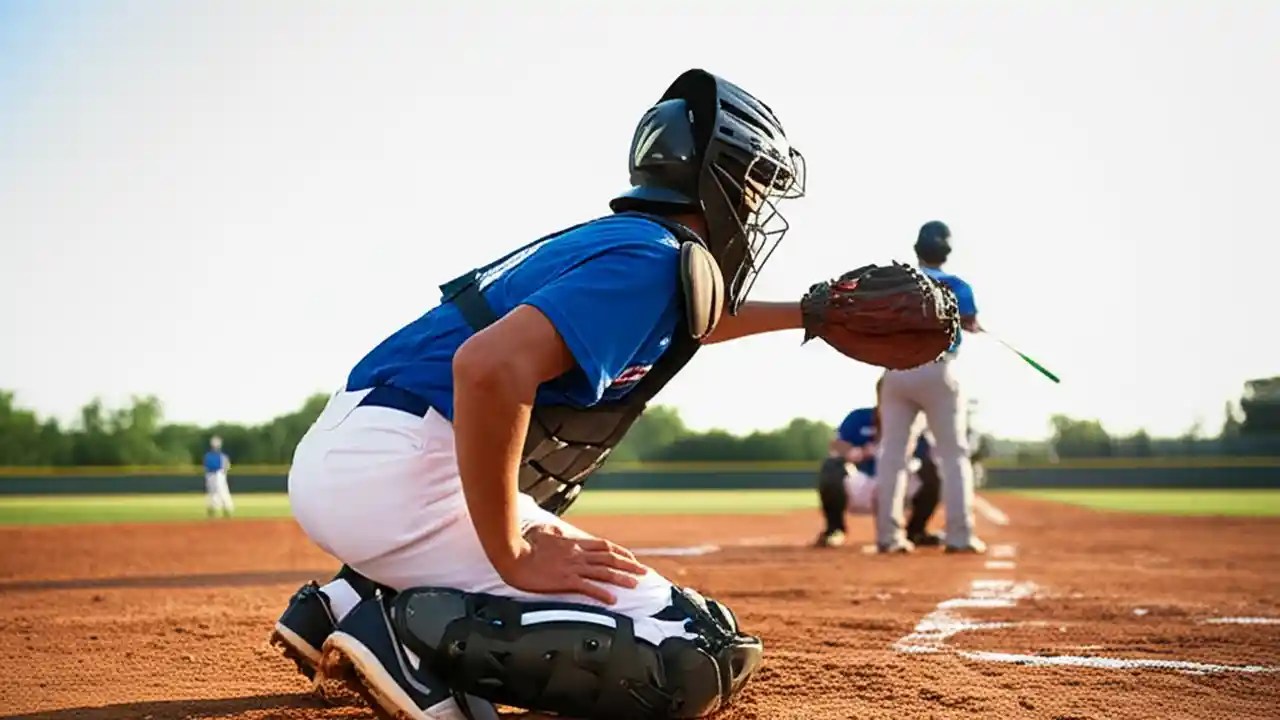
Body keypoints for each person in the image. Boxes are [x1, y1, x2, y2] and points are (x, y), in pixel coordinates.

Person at [267, 69, 822, 720]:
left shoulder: (629, 244)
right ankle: (405, 645)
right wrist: (514, 552)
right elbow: (487, 367)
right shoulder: (652, 261)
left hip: (366, 449)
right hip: (403, 474)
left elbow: (702, 319)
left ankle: (350, 600)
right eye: (753, 181)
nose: (756, 204)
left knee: (630, 594)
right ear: (718, 177)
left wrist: (815, 315)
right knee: (692, 651)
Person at [874, 220, 986, 554]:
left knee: (892, 456)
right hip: (938, 370)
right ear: (946, 252)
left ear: (916, 249)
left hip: (895, 371)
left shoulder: (897, 284)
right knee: (953, 456)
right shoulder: (957, 285)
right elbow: (969, 321)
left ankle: (889, 537)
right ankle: (959, 536)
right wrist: (973, 324)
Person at [815, 386, 942, 548]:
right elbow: (836, 445)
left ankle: (916, 531)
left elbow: (928, 455)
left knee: (933, 469)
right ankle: (834, 529)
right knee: (831, 466)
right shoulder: (859, 417)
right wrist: (855, 452)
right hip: (864, 483)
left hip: (900, 486)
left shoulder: (914, 423)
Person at [202, 435, 233, 519]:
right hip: (210, 475)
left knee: (221, 491)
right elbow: (205, 466)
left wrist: (223, 473)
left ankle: (226, 509)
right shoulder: (208, 455)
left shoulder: (222, 456)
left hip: (219, 474)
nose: (215, 446)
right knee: (212, 492)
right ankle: (213, 509)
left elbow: (227, 466)